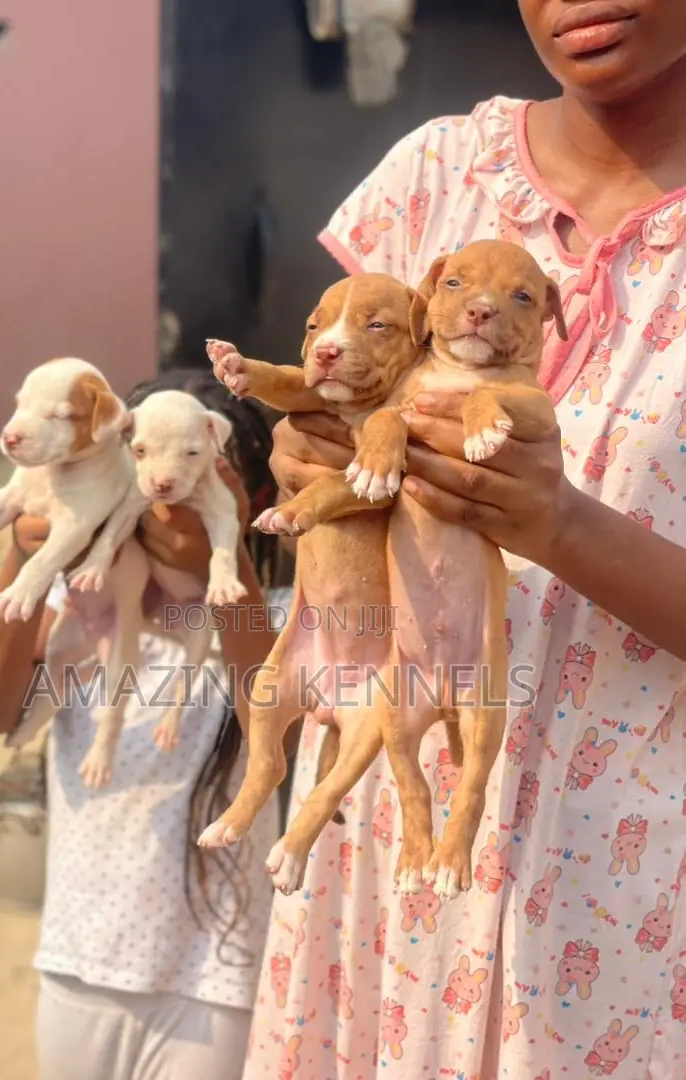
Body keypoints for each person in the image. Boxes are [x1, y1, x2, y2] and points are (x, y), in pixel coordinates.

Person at [244, 2, 686, 1077]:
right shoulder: (439, 172)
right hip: (388, 867)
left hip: (613, 909)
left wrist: (563, 527)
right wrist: (304, 454)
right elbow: (327, 412)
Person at [0, 368, 289, 1080]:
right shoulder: (86, 594)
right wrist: (24, 550)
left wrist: (228, 578)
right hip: (80, 955)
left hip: (214, 980)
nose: (163, 478)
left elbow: (280, 729)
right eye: (142, 452)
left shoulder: (282, 612)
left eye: (192, 459)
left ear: (250, 491)